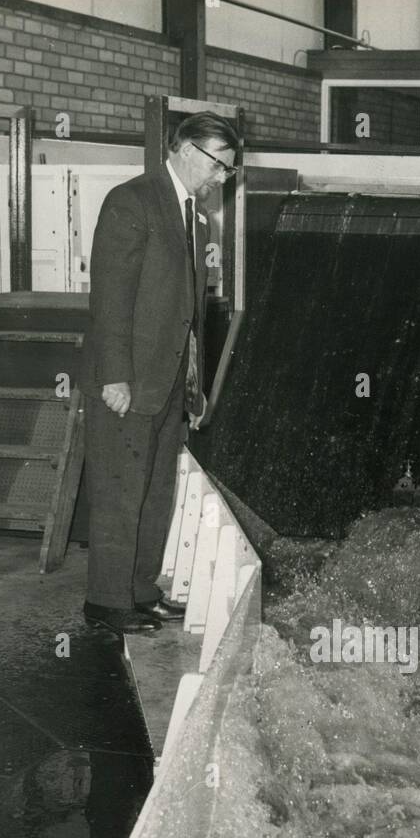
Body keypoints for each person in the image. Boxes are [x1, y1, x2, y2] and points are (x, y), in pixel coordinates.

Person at [78, 112, 240, 635]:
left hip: (170, 380)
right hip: (128, 379)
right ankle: (107, 602)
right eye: (220, 166)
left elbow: (187, 314)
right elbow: (110, 299)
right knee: (120, 490)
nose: (222, 179)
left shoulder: (194, 216)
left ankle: (140, 591)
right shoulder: (132, 201)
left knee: (156, 489)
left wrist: (193, 387)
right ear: (188, 150)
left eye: (228, 172)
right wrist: (115, 377)